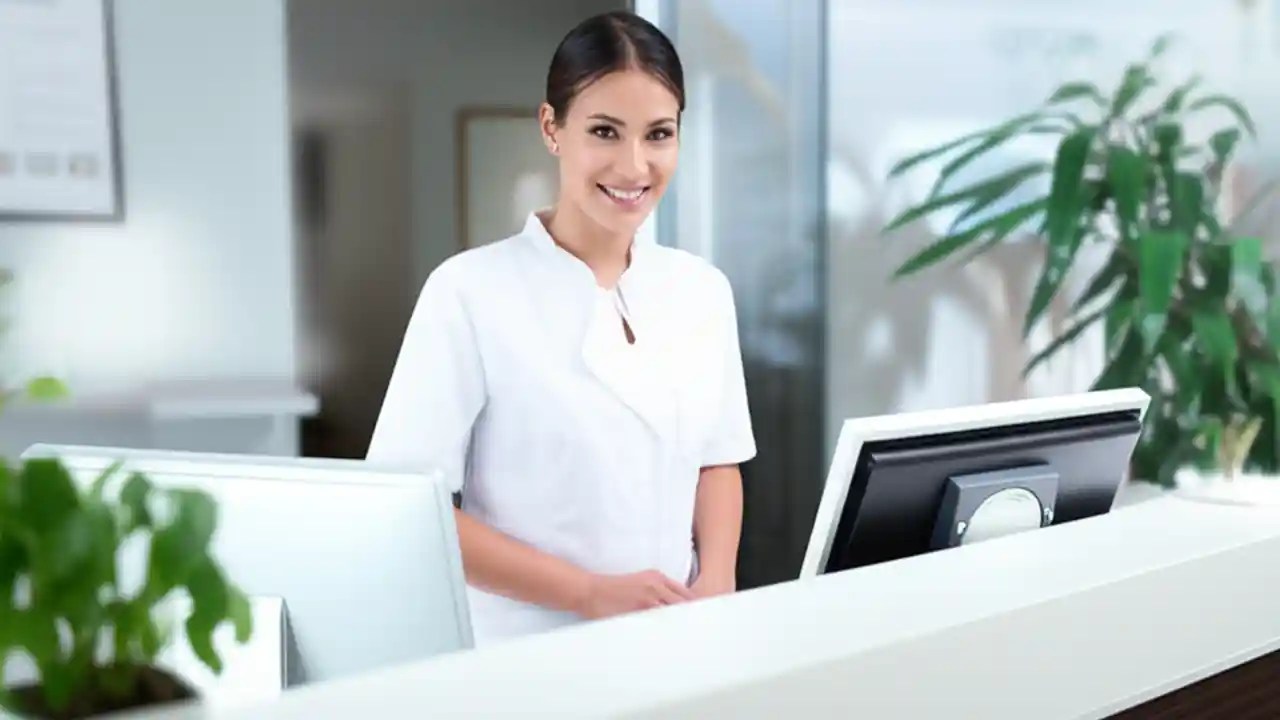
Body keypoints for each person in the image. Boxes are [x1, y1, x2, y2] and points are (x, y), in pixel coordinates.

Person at [366, 10, 756, 645]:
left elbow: (718, 462)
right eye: (605, 131)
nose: (634, 167)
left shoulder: (701, 291)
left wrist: (717, 581)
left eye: (658, 134)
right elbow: (408, 508)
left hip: (682, 642)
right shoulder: (469, 292)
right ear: (552, 128)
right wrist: (587, 592)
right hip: (530, 654)